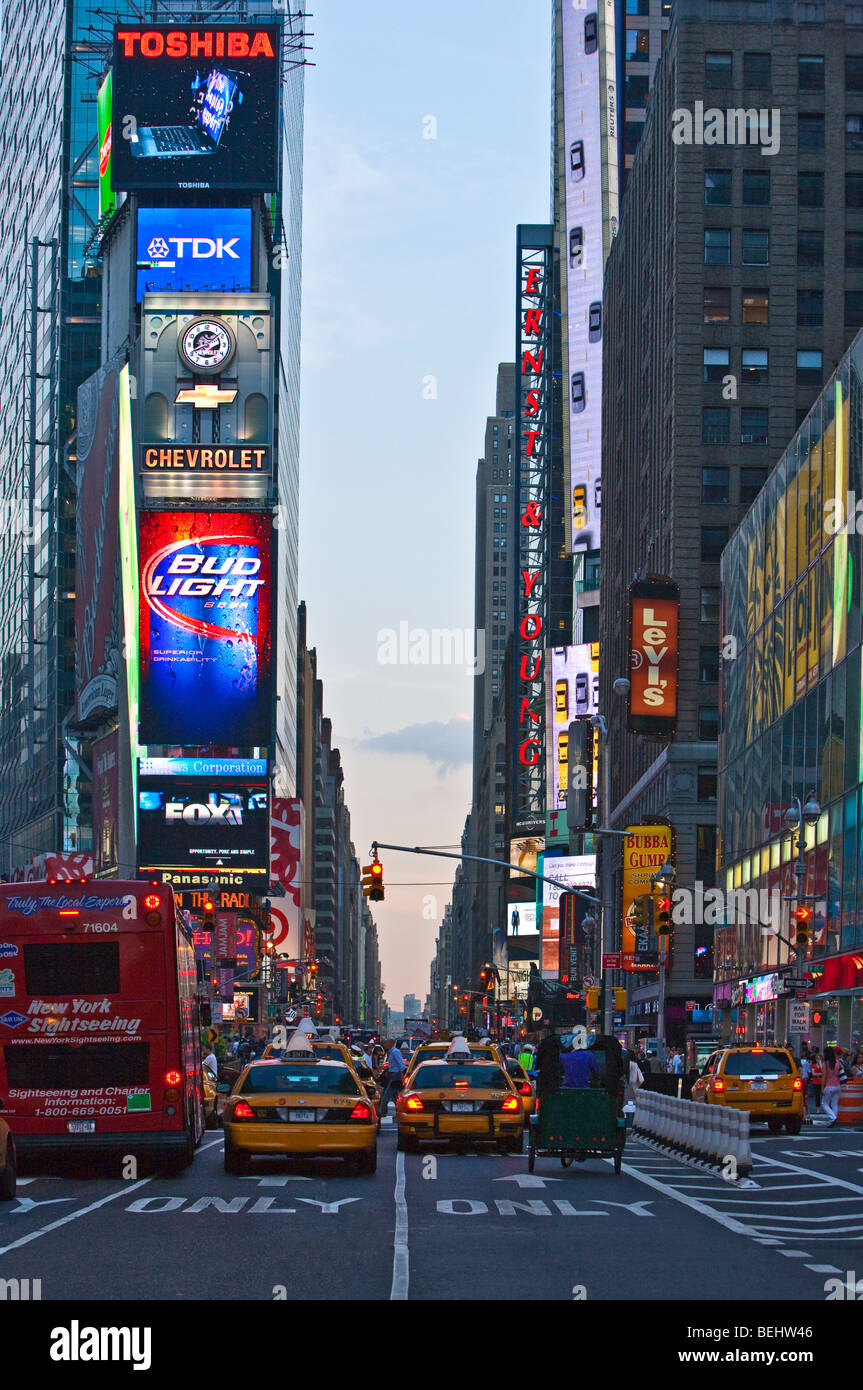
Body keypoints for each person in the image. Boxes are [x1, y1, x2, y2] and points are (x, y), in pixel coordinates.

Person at [378, 1040, 408, 1116]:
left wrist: (402, 1075)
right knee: (395, 1095)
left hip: (395, 1076)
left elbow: (401, 1064)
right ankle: (399, 1110)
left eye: (386, 1042)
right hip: (393, 1075)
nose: (384, 1044)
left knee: (386, 1094)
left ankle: (382, 1112)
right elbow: (394, 1064)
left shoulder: (395, 1052)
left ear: (391, 1043)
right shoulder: (392, 1052)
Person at [534, 1028, 562, 1096]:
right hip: (556, 1082)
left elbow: (538, 1064)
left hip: (545, 1083)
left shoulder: (544, 1044)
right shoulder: (561, 1044)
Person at [821, 1046, 843, 1124]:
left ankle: (833, 1118)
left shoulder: (825, 1063)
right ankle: (834, 1117)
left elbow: (824, 1076)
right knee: (834, 1103)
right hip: (837, 1085)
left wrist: (822, 1088)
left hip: (829, 1085)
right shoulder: (838, 1062)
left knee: (824, 1103)